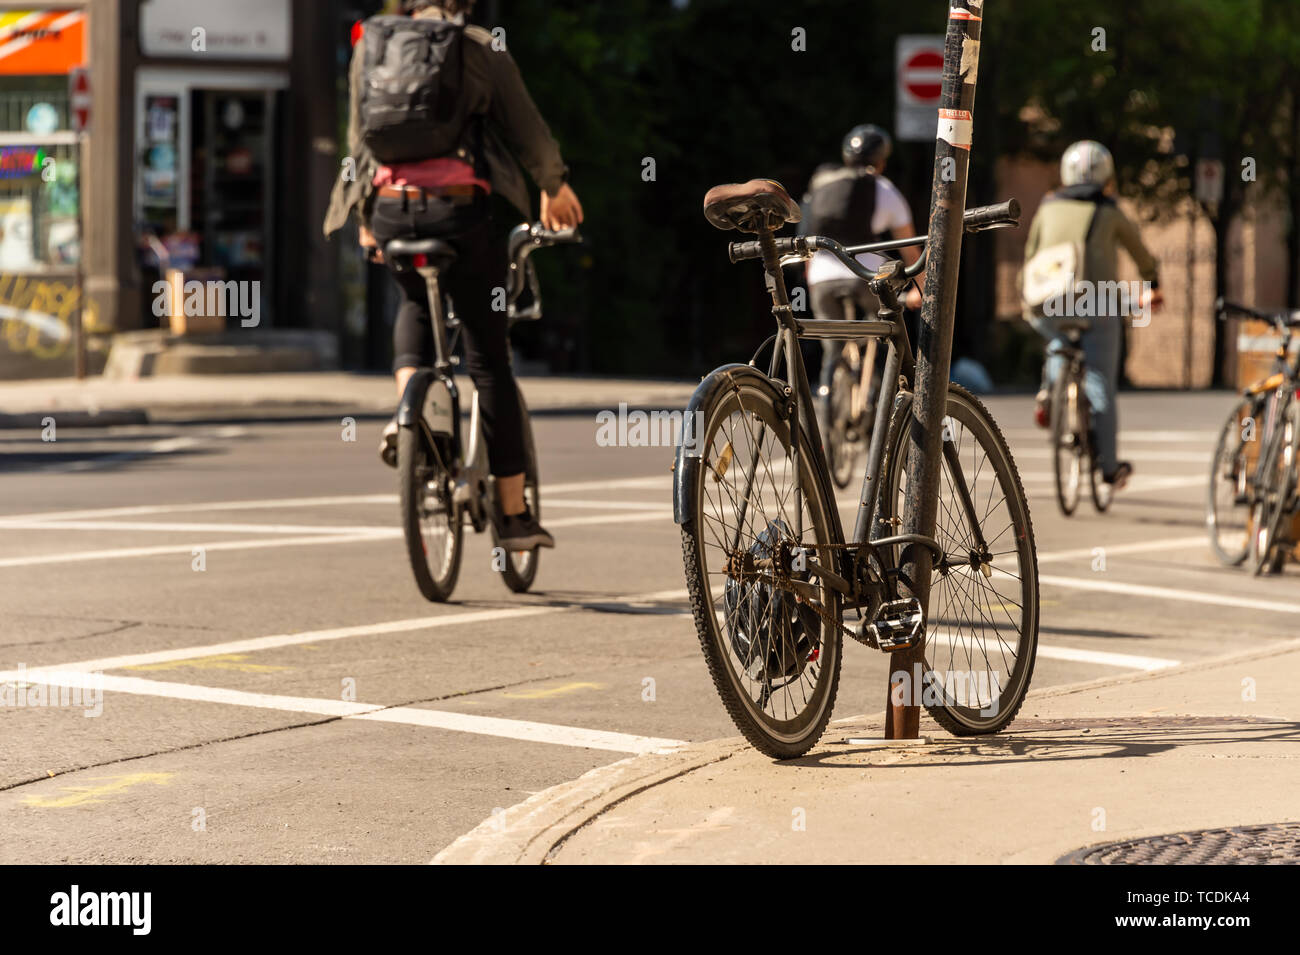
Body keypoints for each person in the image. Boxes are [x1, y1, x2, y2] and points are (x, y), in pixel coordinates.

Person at [322, 0, 583, 550]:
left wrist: (365, 217)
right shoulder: (478, 46)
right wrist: (554, 186)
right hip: (458, 214)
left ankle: (411, 413)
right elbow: (528, 131)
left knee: (414, 304)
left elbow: (359, 138)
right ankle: (513, 518)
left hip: (391, 208)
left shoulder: (371, 42)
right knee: (489, 360)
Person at [1023, 140, 1162, 490]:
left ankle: (1051, 387)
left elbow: (1031, 255)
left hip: (1047, 301)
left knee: (1057, 340)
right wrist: (1153, 284)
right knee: (1100, 383)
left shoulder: (1046, 208)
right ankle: (1110, 468)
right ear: (1107, 175)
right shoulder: (1110, 211)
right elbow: (1141, 255)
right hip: (1097, 305)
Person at [801, 124, 924, 443]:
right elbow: (910, 251)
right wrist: (920, 291)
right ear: (881, 160)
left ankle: (831, 388)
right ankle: (876, 397)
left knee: (833, 346)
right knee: (884, 329)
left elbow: (805, 242)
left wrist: (812, 279)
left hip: (820, 275)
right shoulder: (882, 189)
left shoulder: (821, 184)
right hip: (864, 274)